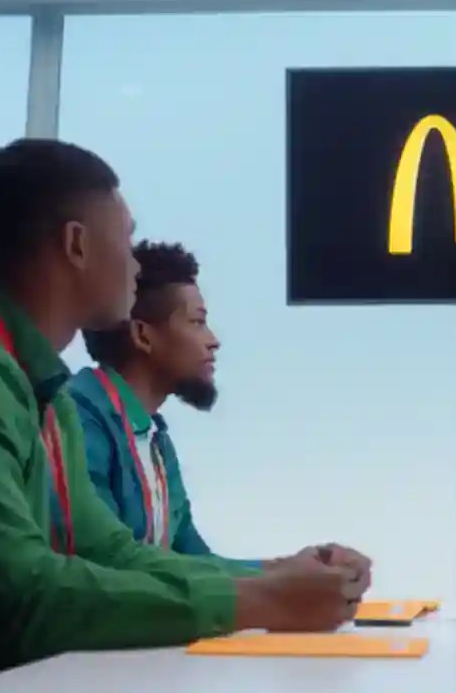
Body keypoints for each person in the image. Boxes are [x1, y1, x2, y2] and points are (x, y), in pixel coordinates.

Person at [0, 139, 371, 692]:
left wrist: (280, 575)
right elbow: (13, 598)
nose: (136, 265)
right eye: (126, 238)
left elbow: (109, 553)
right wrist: (262, 598)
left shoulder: (42, 389)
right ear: (77, 244)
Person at [72, 240, 309, 568]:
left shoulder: (154, 438)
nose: (213, 340)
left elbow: (196, 562)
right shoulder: (77, 418)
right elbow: (108, 562)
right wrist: (282, 585)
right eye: (197, 322)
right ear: (143, 336)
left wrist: (291, 572)